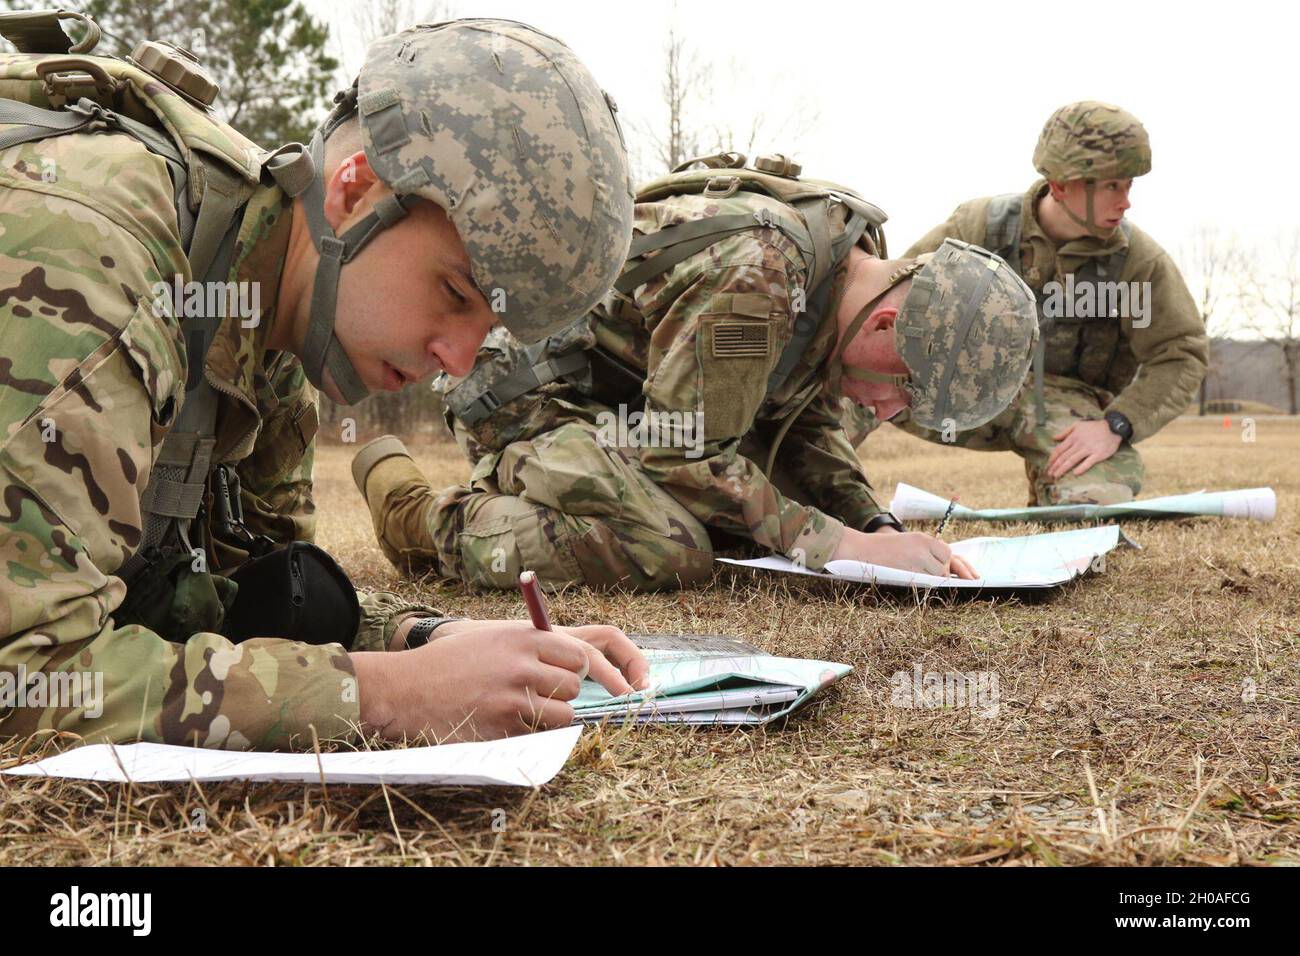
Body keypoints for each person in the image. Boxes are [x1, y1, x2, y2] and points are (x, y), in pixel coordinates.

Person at [0, 16, 645, 750]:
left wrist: (428, 640)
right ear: (357, 188)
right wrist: (390, 696)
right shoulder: (93, 256)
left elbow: (260, 606)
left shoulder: (271, 325)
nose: (460, 361)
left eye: (488, 331)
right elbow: (22, 679)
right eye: (456, 294)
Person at [352, 152, 1038, 593]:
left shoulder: (841, 272)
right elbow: (683, 458)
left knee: (763, 515)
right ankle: (420, 516)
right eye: (906, 392)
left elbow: (801, 425)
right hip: (535, 396)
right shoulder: (758, 279)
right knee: (671, 547)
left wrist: (871, 526)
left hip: (632, 405)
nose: (888, 413)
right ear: (888, 326)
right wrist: (841, 544)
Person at [880, 101, 1207, 505]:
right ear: (1060, 185)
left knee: (1097, 496)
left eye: (1128, 185)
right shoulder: (979, 226)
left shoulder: (1138, 261)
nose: (1125, 203)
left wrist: (1117, 423)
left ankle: (1056, 492)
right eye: (1110, 186)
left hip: (1059, 404)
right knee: (836, 391)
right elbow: (890, 299)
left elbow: (1181, 352)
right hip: (955, 383)